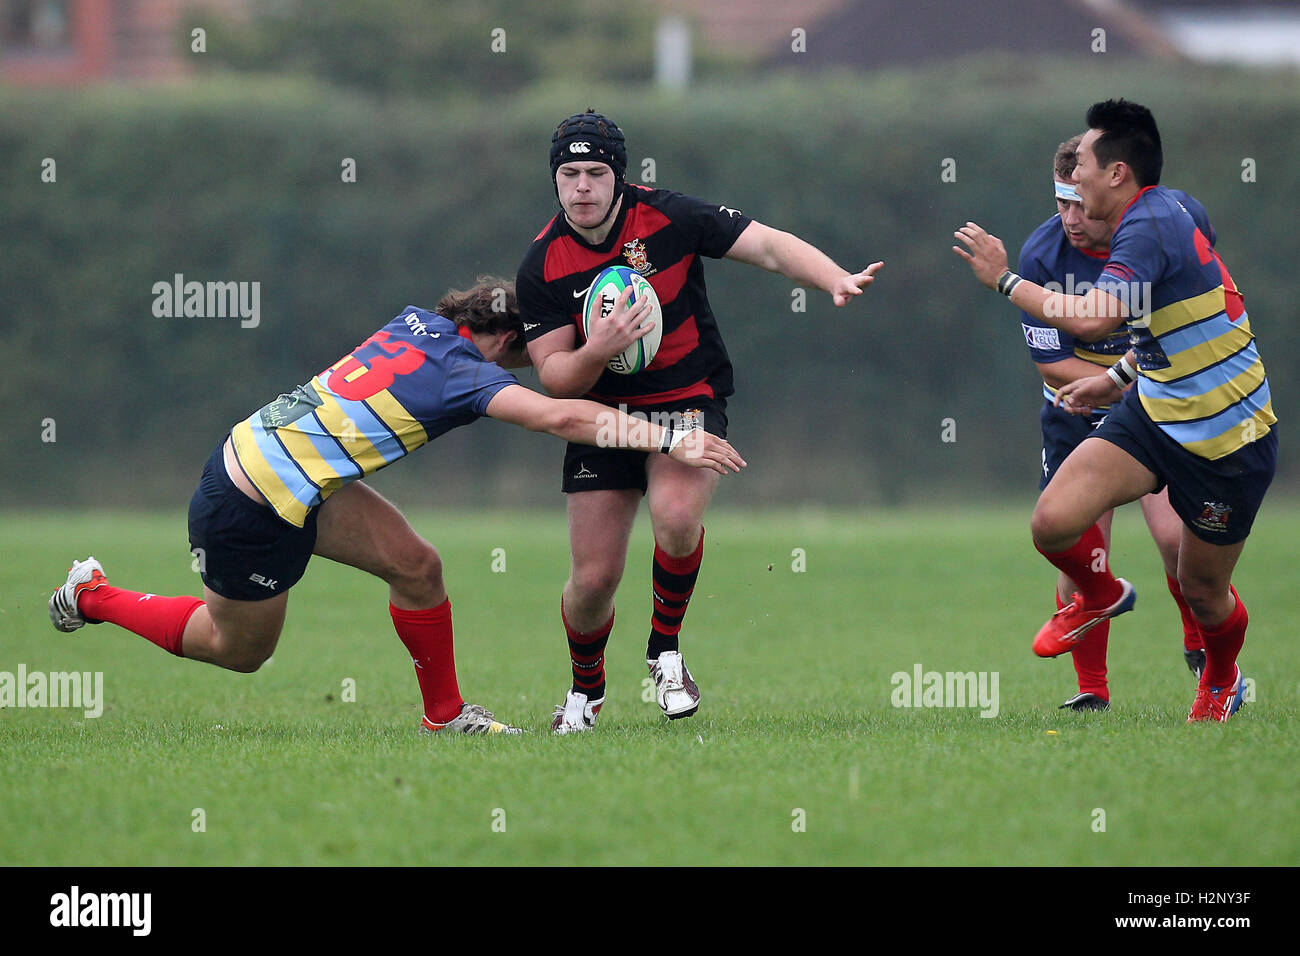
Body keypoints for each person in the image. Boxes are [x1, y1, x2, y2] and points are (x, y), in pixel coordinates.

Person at [48, 278, 745, 735]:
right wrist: (670, 437)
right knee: (237, 649)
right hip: (248, 502)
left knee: (417, 567)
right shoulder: (466, 373)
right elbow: (561, 418)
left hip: (293, 474)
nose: (536, 363)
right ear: (506, 342)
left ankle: (444, 716)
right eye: (529, 353)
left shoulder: (419, 321)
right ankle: (95, 595)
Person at [517, 109, 883, 733]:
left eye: (595, 173)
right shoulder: (542, 263)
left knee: (679, 517)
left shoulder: (669, 215)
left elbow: (765, 244)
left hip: (687, 397)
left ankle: (664, 652)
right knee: (592, 582)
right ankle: (586, 690)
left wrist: (832, 278)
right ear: (555, 179)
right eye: (570, 174)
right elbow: (554, 378)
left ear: (618, 177)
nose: (581, 187)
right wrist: (599, 349)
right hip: (601, 419)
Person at [954, 99, 1276, 722]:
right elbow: (1172, 314)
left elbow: (1102, 316)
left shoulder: (1149, 225)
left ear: (1119, 174)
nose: (1074, 178)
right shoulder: (1159, 215)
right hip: (1153, 411)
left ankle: (1220, 677)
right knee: (1052, 523)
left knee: (1202, 590)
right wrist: (1121, 376)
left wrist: (1004, 280)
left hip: (1227, 437)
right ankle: (1100, 594)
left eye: (1084, 170)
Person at [1018, 133, 1213, 712]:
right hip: (1078, 416)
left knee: (1178, 539)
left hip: (1158, 403)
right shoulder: (1042, 256)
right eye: (1061, 203)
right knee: (1082, 552)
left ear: (1113, 187)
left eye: (1081, 201)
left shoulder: (1166, 226)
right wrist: (1109, 385)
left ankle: (1203, 649)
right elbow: (1054, 363)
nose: (1072, 218)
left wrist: (1128, 381)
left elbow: (1198, 306)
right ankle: (1091, 694)